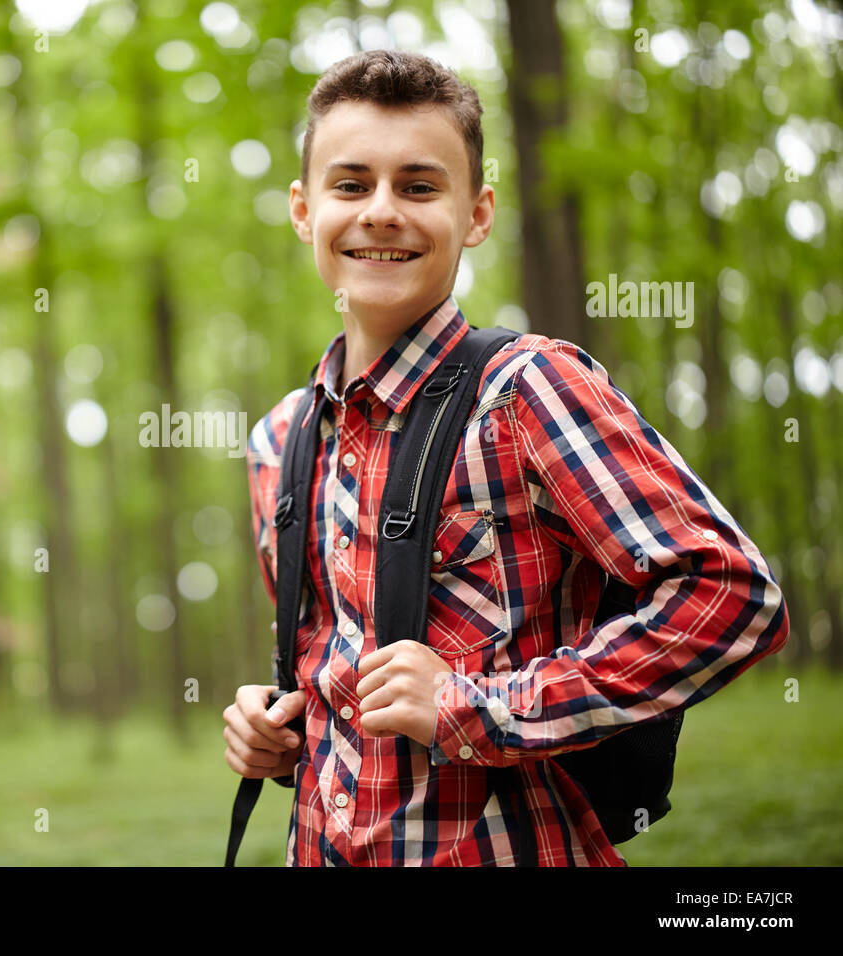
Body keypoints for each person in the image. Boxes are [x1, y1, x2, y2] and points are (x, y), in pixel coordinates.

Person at [221, 49, 790, 866]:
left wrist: (474, 706)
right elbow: (334, 663)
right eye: (351, 185)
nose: (381, 211)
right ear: (303, 209)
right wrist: (276, 727)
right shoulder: (278, 441)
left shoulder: (529, 390)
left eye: (419, 186)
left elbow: (733, 597)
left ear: (478, 213)